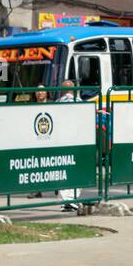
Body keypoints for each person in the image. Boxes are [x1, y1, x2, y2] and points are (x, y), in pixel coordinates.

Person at [55, 80, 81, 213]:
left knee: (63, 170)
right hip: (76, 140)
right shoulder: (78, 101)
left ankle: (65, 201)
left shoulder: (57, 102)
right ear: (74, 89)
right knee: (76, 169)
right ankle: (71, 199)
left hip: (61, 140)